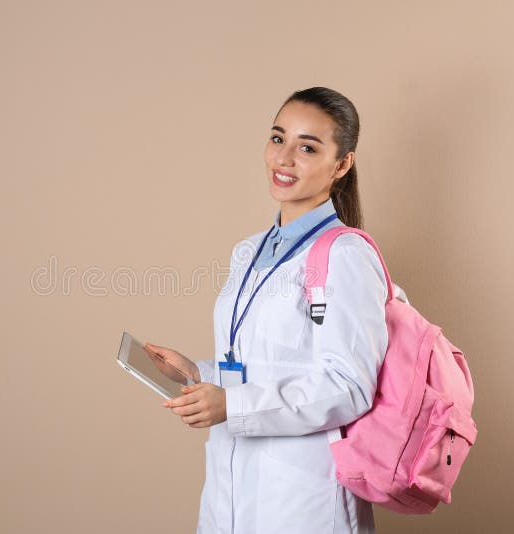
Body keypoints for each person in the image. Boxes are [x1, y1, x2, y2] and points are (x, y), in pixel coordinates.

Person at [145, 87, 409, 534]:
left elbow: (348, 386)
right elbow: (262, 363)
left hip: (302, 501)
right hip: (227, 494)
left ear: (341, 165)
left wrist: (232, 405)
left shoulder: (345, 255)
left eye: (307, 147)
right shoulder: (248, 251)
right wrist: (196, 374)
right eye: (277, 138)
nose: (284, 158)